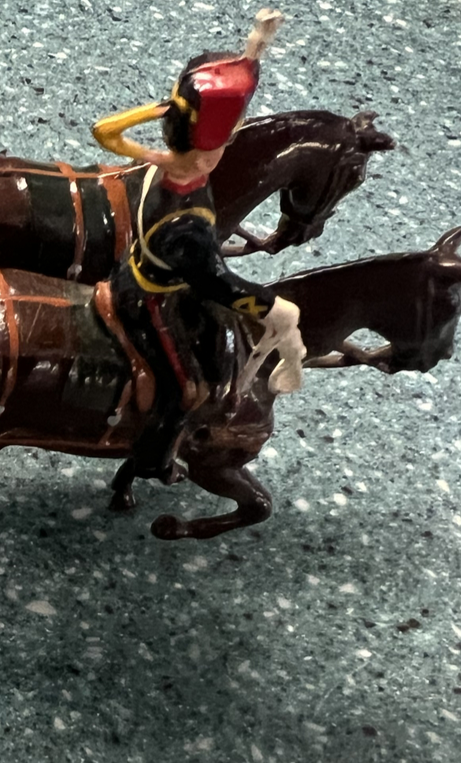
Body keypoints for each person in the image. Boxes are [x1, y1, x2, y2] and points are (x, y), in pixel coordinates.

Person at [90, 9, 305, 483]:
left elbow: (106, 132)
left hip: (142, 265)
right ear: (206, 150)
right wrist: (274, 307)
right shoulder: (187, 220)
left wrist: (255, 48)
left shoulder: (161, 166)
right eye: (222, 141)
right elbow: (217, 283)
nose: (227, 145)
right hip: (148, 295)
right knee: (183, 387)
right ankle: (151, 459)